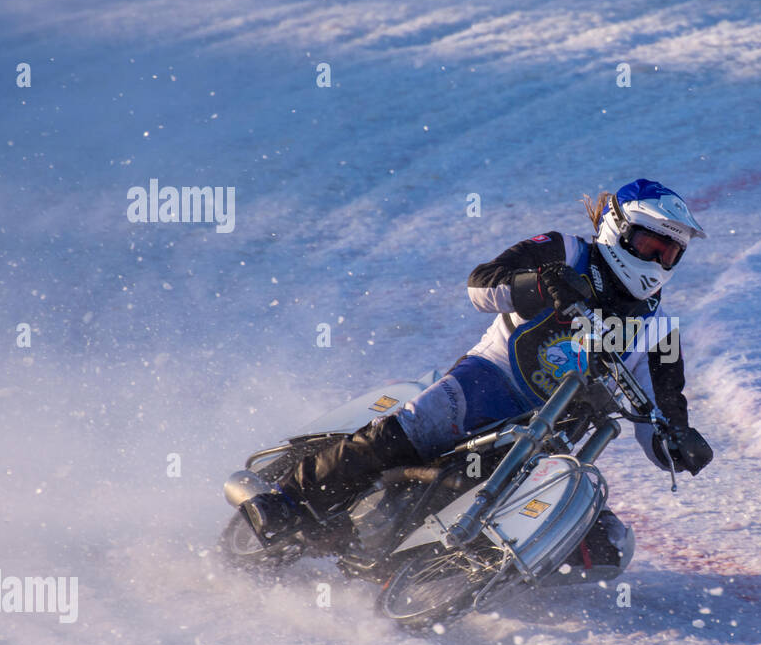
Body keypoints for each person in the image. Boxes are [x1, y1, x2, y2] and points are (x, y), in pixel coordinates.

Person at [239, 179, 714, 578]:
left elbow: (664, 412)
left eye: (670, 252)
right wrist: (538, 285)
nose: (657, 260)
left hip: (547, 438)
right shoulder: (566, 251)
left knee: (606, 548)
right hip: (490, 380)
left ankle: (462, 574)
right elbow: (480, 284)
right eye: (651, 244)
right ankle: (287, 501)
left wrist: (681, 443)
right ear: (618, 229)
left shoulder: (659, 330)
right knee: (414, 424)